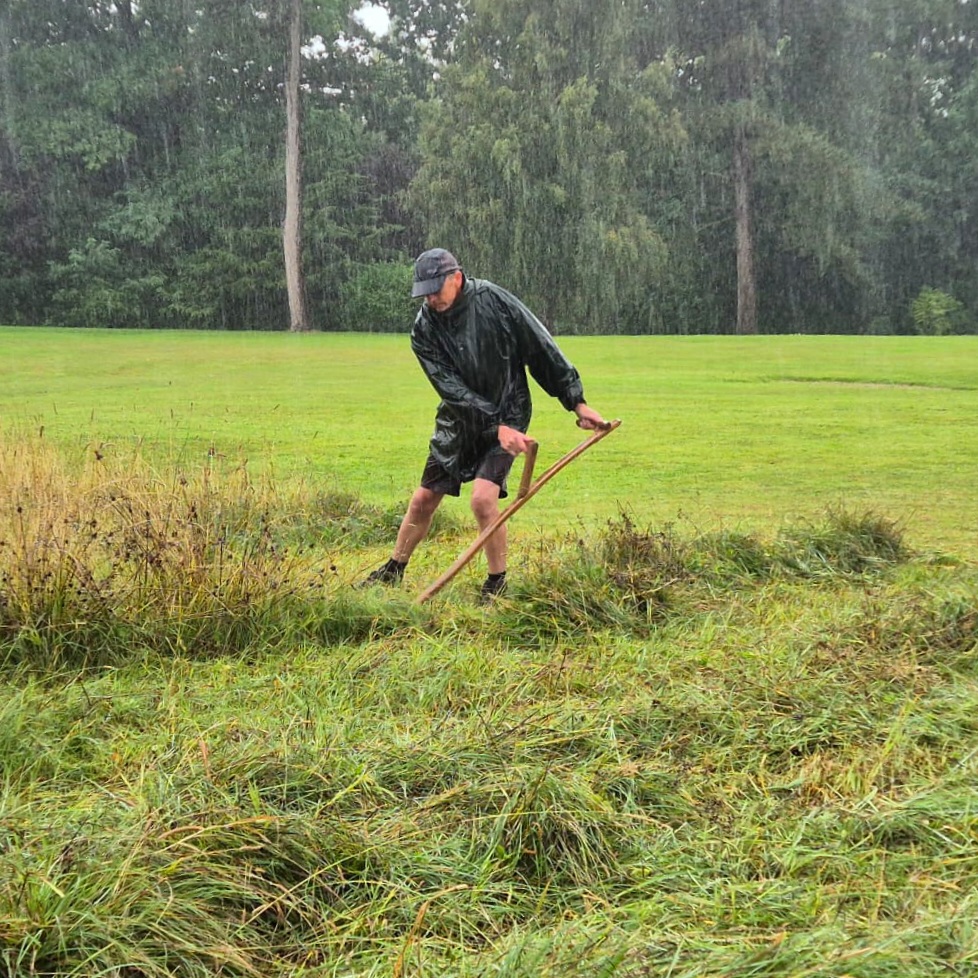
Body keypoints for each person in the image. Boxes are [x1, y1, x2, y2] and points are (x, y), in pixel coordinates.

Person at [362, 248, 608, 601]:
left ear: (457, 278)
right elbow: (451, 389)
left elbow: (540, 348)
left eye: (436, 289)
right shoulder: (424, 329)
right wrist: (492, 426)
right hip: (459, 420)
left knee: (482, 500)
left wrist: (576, 401)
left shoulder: (494, 301)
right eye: (425, 291)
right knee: (423, 499)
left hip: (509, 413)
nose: (431, 298)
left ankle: (496, 583)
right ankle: (393, 570)